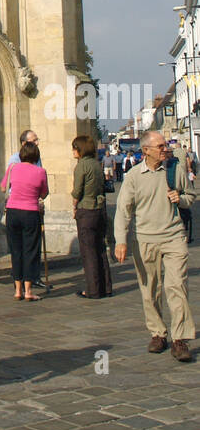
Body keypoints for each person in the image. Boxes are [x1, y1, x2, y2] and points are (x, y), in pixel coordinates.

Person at [115, 131, 194, 361]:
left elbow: (191, 196)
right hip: (145, 239)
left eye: (165, 145)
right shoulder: (133, 177)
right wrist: (121, 240)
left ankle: (180, 339)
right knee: (150, 289)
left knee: (177, 286)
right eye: (160, 146)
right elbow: (123, 212)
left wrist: (181, 199)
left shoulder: (175, 170)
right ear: (146, 150)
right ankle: (158, 333)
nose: (165, 149)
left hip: (173, 236)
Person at [2, 141, 49, 301]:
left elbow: (3, 187)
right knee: (30, 251)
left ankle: (17, 289)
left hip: (13, 212)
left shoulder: (13, 168)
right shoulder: (40, 171)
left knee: (16, 250)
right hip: (30, 212)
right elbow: (44, 194)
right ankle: (28, 290)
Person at [71, 134, 112, 298]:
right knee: (100, 249)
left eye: (74, 148)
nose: (73, 151)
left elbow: (77, 191)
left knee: (88, 251)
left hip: (86, 210)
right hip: (99, 209)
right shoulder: (96, 164)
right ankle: (106, 287)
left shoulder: (81, 166)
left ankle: (93, 289)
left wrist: (74, 206)